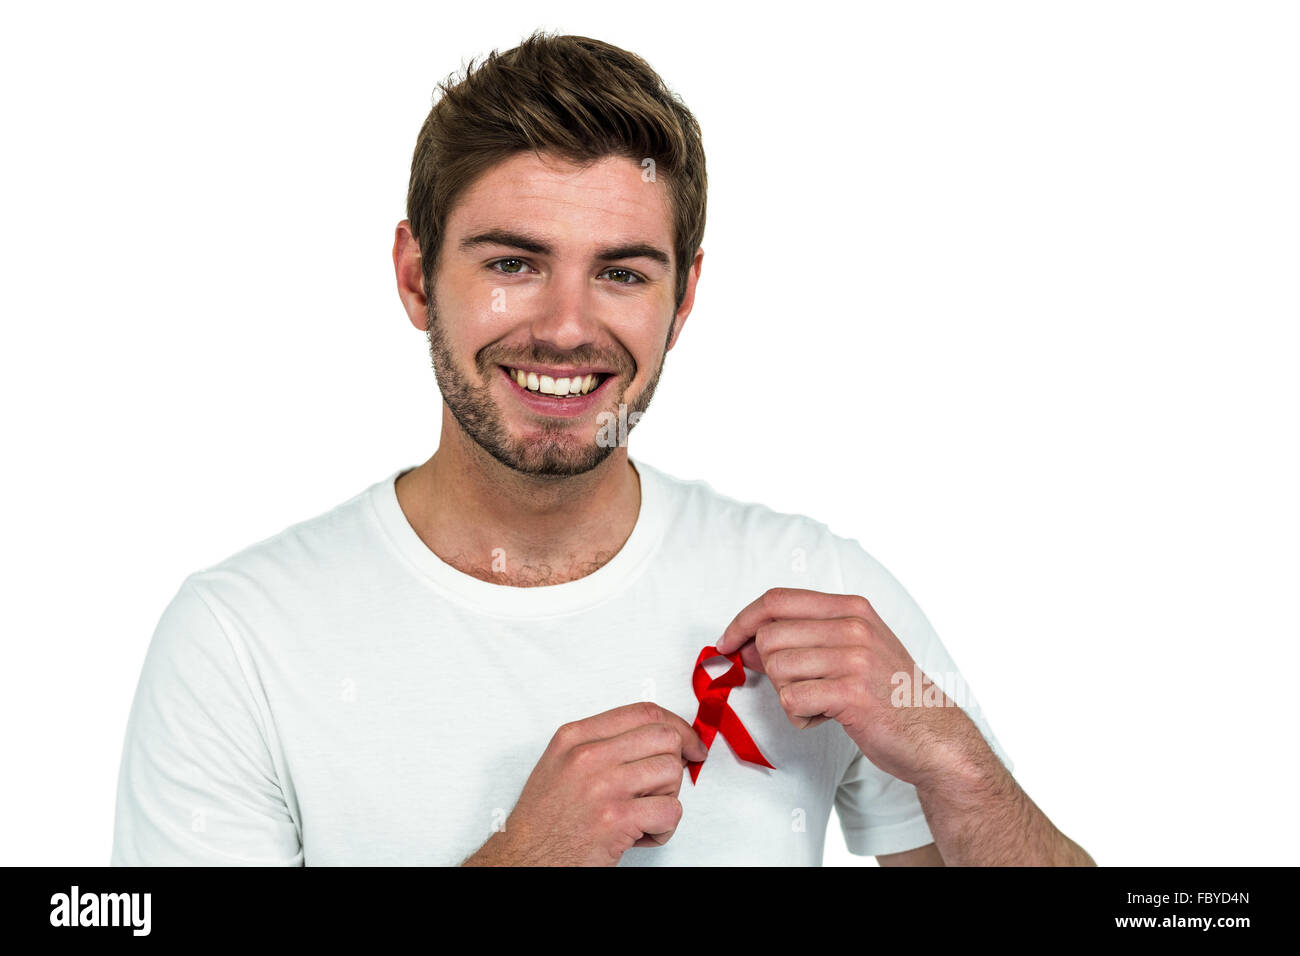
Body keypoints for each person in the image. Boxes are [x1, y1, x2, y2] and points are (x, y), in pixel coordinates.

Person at [111, 30, 1093, 867]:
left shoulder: (815, 585)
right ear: (415, 276)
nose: (568, 326)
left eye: (621, 272)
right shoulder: (237, 639)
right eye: (512, 263)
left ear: (684, 299)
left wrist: (950, 757)